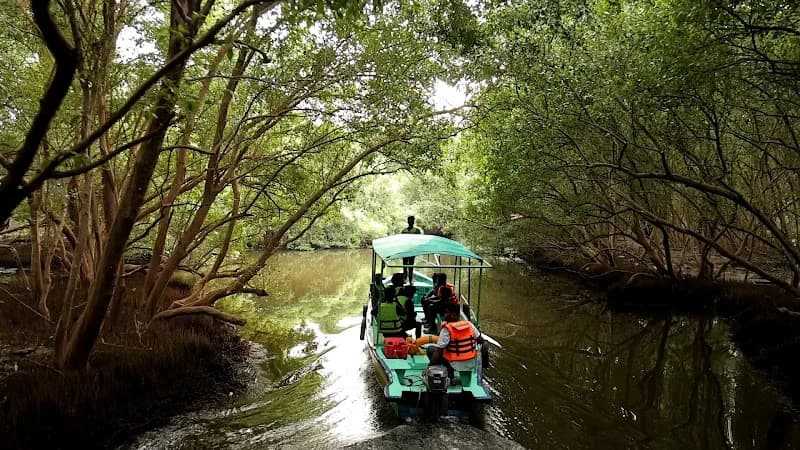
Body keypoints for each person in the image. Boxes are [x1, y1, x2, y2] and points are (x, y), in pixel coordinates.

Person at [426, 302, 484, 379]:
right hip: (471, 363)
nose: (444, 315)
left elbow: (438, 352)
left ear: (453, 314)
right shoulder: (469, 325)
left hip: (455, 364)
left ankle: (448, 372)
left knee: (431, 349)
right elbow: (481, 340)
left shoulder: (447, 329)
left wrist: (429, 366)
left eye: (447, 312)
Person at [400, 215, 423, 283]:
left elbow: (419, 241)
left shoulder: (417, 231)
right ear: (407, 221)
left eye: (411, 220)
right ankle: (404, 279)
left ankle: (410, 280)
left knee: (410, 265)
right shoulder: (404, 230)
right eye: (409, 220)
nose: (410, 222)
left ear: (413, 221)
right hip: (405, 250)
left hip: (412, 250)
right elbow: (401, 241)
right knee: (404, 265)